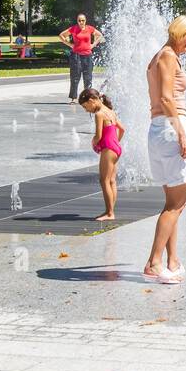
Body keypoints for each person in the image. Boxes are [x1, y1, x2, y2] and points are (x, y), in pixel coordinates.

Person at [144, 15, 186, 284]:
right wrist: (181, 134)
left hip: (160, 129)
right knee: (177, 203)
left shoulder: (159, 56)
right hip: (171, 127)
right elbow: (167, 98)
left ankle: (172, 260)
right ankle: (154, 263)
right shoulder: (168, 55)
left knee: (173, 202)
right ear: (178, 31)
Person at [79, 88, 124, 222]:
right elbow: (122, 129)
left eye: (86, 107)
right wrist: (115, 143)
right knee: (111, 181)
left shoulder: (99, 114)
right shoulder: (110, 111)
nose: (87, 110)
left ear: (92, 100)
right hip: (116, 148)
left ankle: (109, 213)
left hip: (109, 149)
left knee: (103, 180)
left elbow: (98, 136)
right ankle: (110, 210)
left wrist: (93, 143)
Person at [59, 13, 103, 104]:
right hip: (76, 56)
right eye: (79, 20)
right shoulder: (74, 29)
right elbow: (61, 36)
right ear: (77, 21)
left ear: (85, 21)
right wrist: (70, 45)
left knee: (88, 78)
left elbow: (99, 35)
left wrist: (93, 45)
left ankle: (87, 98)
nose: (81, 22)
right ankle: (73, 98)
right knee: (75, 77)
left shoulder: (89, 28)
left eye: (83, 20)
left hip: (87, 55)